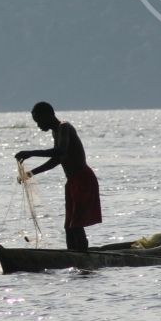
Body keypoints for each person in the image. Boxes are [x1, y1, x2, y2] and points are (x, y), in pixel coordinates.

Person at [14, 102, 101, 250]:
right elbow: (56, 160)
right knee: (69, 225)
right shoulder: (56, 132)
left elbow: (60, 151)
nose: (38, 125)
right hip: (72, 182)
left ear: (48, 115)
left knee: (76, 224)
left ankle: (83, 257)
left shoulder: (64, 127)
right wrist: (30, 173)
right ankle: (72, 255)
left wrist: (30, 152)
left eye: (39, 121)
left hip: (83, 179)